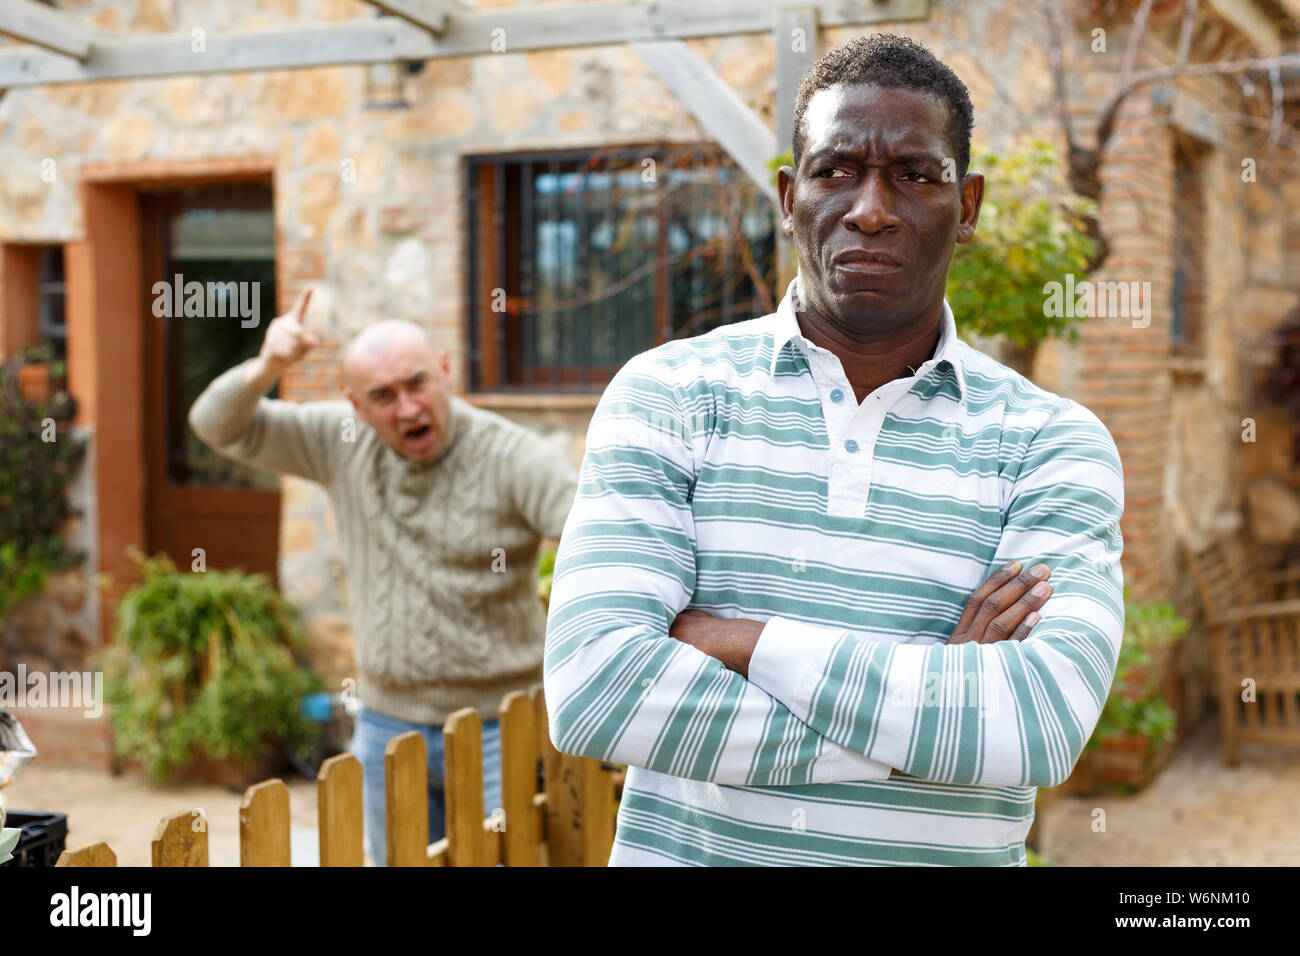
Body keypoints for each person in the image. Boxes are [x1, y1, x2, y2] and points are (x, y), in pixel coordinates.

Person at [543, 34, 1124, 866]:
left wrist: (739, 641)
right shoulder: (669, 398)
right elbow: (596, 692)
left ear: (967, 208)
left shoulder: (1050, 444)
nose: (871, 210)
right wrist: (934, 719)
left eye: (915, 175)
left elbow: (1036, 725)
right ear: (789, 198)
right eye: (836, 170)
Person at [189, 289, 578, 865]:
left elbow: (596, 541)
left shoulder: (512, 456)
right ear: (357, 406)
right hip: (386, 726)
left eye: (417, 384)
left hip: (502, 726)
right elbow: (215, 425)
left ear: (445, 372)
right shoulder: (340, 443)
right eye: (383, 396)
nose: (407, 408)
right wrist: (267, 365)